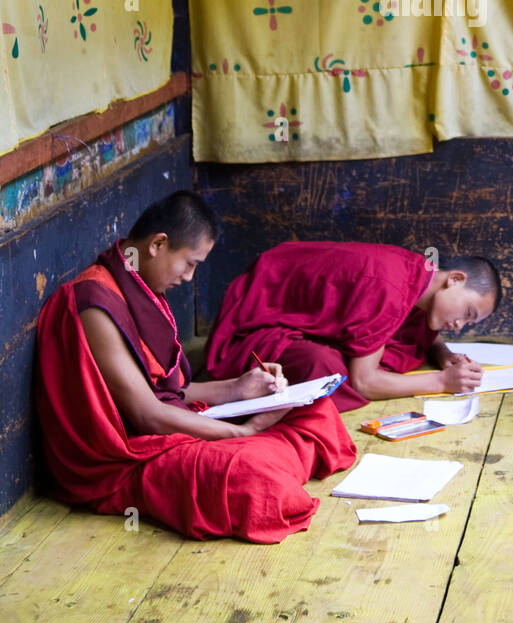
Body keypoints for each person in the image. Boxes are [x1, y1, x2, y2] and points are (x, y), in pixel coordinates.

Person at [35, 191, 356, 542]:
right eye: (190, 263)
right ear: (158, 244)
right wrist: (242, 433)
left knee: (317, 409)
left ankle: (270, 453)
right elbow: (147, 415)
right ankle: (270, 456)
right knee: (253, 477)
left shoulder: (139, 285)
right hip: (133, 455)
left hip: (170, 421)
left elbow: (168, 391)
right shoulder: (96, 305)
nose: (189, 278)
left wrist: (238, 387)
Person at [205, 241, 501, 411]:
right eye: (468, 312)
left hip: (286, 313)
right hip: (250, 328)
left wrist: (442, 354)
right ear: (456, 279)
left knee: (402, 349)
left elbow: (413, 325)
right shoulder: (389, 289)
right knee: (329, 371)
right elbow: (366, 382)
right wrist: (442, 382)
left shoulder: (418, 274)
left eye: (469, 322)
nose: (460, 325)